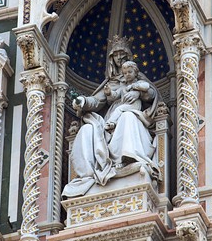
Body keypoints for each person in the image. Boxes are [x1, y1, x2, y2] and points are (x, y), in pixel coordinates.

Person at [64, 38, 159, 197]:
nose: (119, 57)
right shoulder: (111, 83)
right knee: (86, 129)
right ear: (111, 59)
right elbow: (96, 101)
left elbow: (151, 94)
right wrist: (83, 101)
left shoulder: (138, 79)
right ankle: (87, 175)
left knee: (127, 117)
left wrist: (138, 92)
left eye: (122, 53)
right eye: (116, 55)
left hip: (133, 114)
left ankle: (129, 158)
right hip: (111, 119)